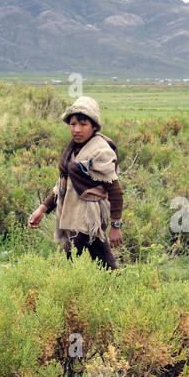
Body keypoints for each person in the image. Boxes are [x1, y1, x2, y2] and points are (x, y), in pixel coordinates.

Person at [27, 96, 123, 269]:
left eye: (83, 124)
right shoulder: (73, 150)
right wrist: (43, 208)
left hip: (90, 217)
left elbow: (115, 191)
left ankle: (57, 281)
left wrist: (116, 225)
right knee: (104, 261)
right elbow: (63, 185)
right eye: (73, 124)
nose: (77, 129)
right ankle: (116, 282)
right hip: (75, 214)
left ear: (94, 126)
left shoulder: (101, 151)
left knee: (66, 259)